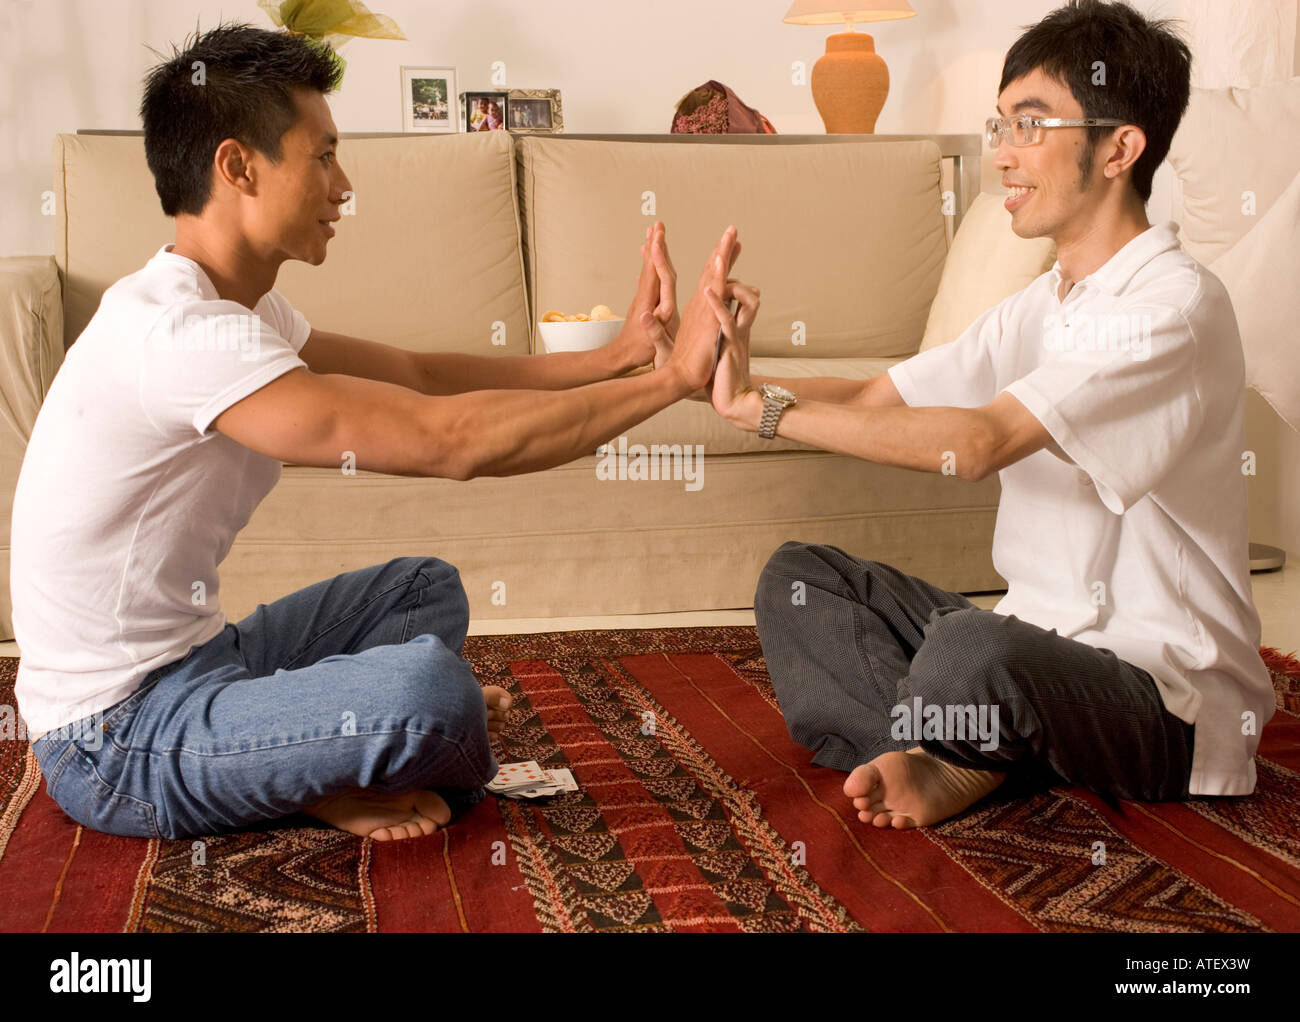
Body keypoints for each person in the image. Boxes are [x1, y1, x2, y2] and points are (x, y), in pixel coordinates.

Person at [12, 22, 732, 842]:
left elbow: (419, 376)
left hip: (200, 661)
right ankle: (318, 761)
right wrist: (674, 384)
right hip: (113, 739)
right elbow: (448, 441)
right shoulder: (183, 336)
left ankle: (305, 757)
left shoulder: (235, 307)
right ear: (238, 166)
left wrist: (620, 358)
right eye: (322, 156)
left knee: (424, 591)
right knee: (435, 698)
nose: (343, 184)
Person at [661, 0, 1276, 828]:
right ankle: (954, 751)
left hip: (1160, 699)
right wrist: (736, 377)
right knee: (801, 580)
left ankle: (953, 744)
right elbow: (883, 397)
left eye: (1030, 126)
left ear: (1120, 148)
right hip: (1034, 647)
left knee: (969, 648)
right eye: (1000, 128)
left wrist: (763, 416)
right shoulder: (1044, 301)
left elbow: (980, 444)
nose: (1004, 157)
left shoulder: (1171, 308)